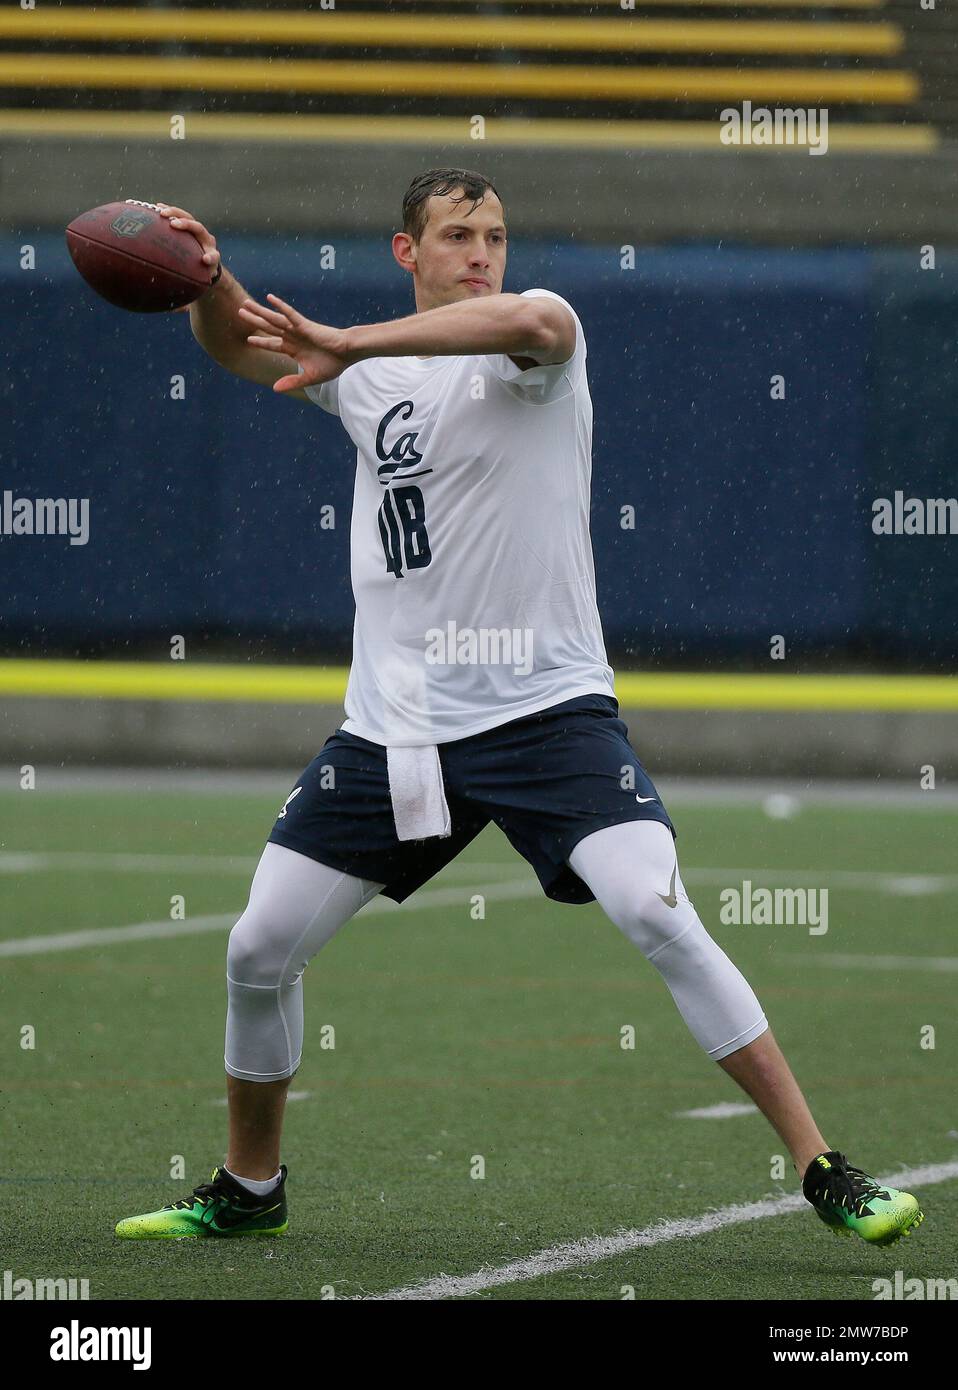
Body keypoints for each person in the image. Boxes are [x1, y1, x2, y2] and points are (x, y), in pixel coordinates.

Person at [115, 169, 922, 1248]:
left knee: (651, 908)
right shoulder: (368, 374)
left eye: (494, 232)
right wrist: (208, 279)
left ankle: (821, 1164)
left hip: (546, 712)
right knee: (257, 947)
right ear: (408, 250)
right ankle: (250, 1188)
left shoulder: (531, 345)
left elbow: (535, 316)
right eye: (457, 234)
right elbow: (237, 349)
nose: (483, 250)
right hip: (398, 723)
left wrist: (353, 339)